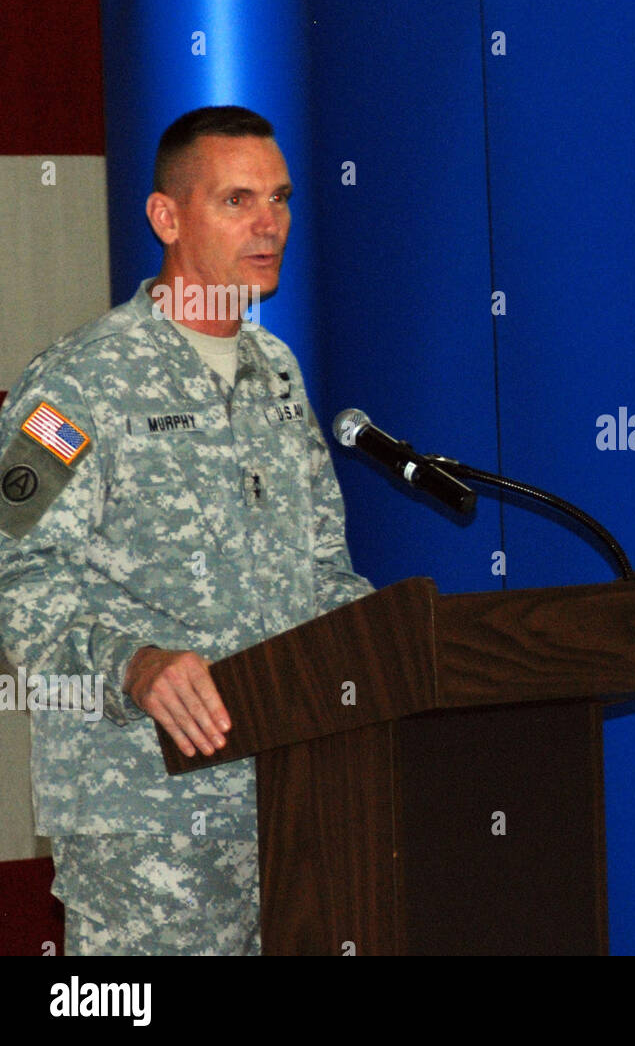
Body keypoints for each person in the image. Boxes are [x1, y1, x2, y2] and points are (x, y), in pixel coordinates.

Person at [0, 106, 373, 955]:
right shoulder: (76, 384)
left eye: (279, 199)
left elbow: (324, 571)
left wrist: (394, 651)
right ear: (166, 218)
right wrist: (132, 662)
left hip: (292, 801)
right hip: (146, 822)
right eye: (236, 200)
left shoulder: (276, 370)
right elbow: (14, 569)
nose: (269, 223)